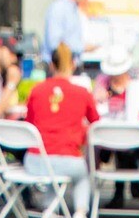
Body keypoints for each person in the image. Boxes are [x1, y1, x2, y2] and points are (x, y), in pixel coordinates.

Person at [25, 43, 100, 186]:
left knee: (52, 182)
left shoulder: (36, 90)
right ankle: (82, 202)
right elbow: (96, 123)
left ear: (51, 65)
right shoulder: (82, 93)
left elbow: (29, 124)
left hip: (36, 160)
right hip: (69, 159)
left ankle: (52, 201)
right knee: (82, 179)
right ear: (73, 64)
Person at [95, 48, 139, 121]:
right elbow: (95, 102)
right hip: (108, 121)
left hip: (134, 121)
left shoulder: (137, 78)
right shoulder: (103, 80)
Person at [44, 0, 88, 69]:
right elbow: (54, 43)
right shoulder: (59, 8)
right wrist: (82, 47)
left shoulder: (74, 9)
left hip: (70, 67)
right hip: (58, 68)